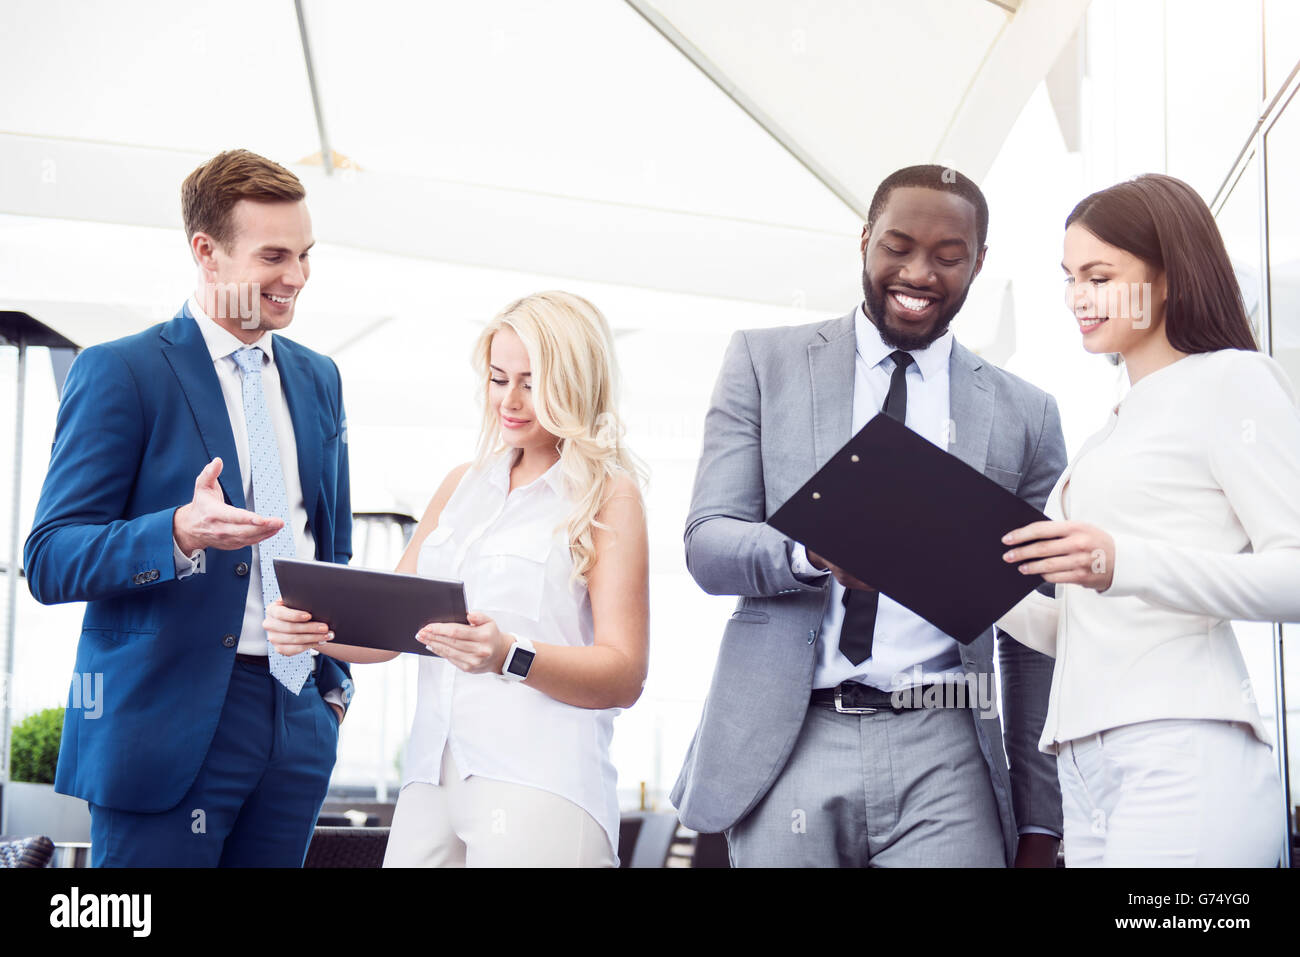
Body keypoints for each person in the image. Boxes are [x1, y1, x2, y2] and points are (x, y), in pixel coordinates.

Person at [672, 165, 1068, 867]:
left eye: (949, 256)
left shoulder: (1026, 413)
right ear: (864, 242)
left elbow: (1034, 631)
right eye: (898, 246)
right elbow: (708, 543)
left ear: (978, 263)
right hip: (791, 739)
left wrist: (1041, 816)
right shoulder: (765, 364)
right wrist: (809, 553)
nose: (919, 272)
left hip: (947, 751)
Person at [23, 149, 354, 867]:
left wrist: (332, 695)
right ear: (205, 251)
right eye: (273, 255)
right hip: (164, 727)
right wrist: (175, 532)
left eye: (304, 254)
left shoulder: (319, 379)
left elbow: (333, 551)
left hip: (296, 715)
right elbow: (48, 558)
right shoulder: (122, 370)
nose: (295, 277)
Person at [268, 290, 649, 867]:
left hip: (540, 783)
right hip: (431, 777)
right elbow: (387, 628)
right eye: (499, 379)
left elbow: (623, 674)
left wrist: (507, 655)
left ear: (575, 382)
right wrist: (310, 628)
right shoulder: (461, 485)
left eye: (532, 381)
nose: (511, 400)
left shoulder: (607, 495)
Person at [997, 172, 1298, 866]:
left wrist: (1120, 562)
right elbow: (1077, 625)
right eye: (1070, 277)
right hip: (1084, 765)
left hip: (1182, 753)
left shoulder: (1233, 381)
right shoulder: (1106, 434)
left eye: (1099, 275)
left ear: (1166, 276)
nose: (1078, 297)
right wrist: (955, 576)